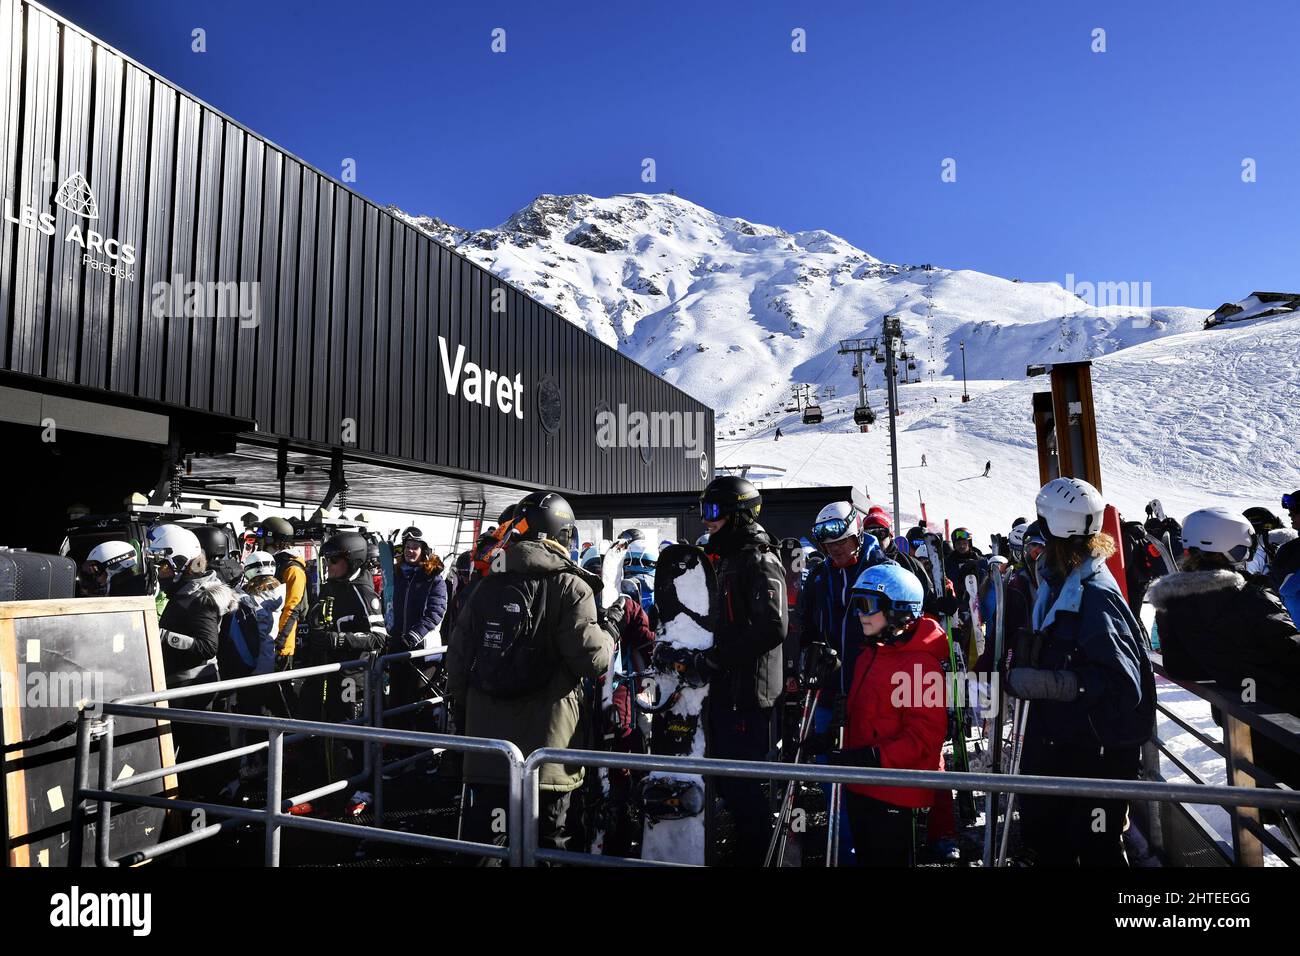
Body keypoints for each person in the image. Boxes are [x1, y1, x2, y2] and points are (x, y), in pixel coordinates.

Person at [446, 491, 618, 857]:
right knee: (549, 845)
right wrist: (611, 632)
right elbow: (592, 660)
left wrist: (463, 720)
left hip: (489, 749)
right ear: (563, 534)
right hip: (549, 748)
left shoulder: (485, 584)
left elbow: (457, 661)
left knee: (489, 845)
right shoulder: (572, 586)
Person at [1008, 478, 1155, 866]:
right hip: (1064, 745)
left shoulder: (1094, 596)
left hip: (1095, 755)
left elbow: (1124, 687)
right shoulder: (1061, 584)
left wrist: (1048, 684)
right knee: (1050, 843)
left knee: (1093, 851)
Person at [803, 564, 949, 866]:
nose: (860, 614)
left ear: (899, 610)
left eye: (867, 605)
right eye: (857, 605)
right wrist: (830, 737)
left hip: (895, 790)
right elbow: (865, 717)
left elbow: (925, 739)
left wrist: (870, 758)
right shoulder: (871, 653)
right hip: (863, 784)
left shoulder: (920, 665)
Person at [1149, 507, 1300, 788]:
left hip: (1237, 720)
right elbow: (1291, 651)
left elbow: (1180, 665)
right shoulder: (1248, 596)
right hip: (1283, 718)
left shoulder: (1171, 602)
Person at [696, 475, 788, 865]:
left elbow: (772, 626)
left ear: (737, 514)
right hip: (726, 689)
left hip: (748, 695)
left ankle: (757, 856)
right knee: (727, 784)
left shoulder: (758, 558)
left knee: (744, 788)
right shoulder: (729, 557)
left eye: (714, 511)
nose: (707, 520)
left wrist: (719, 657)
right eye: (703, 511)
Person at [298, 530, 390, 812]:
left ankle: (361, 790)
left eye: (334, 560)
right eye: (327, 560)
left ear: (352, 560)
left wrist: (340, 640)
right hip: (324, 674)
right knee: (316, 731)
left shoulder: (363, 593)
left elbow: (379, 637)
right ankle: (321, 790)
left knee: (351, 734)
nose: (329, 566)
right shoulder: (328, 588)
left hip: (352, 678)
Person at [147, 523, 238, 799]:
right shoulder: (181, 593)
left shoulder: (200, 597)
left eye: (163, 565)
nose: (159, 571)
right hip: (179, 685)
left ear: (180, 562)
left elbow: (207, 646)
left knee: (198, 753)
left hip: (193, 687)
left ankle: (206, 809)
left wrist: (161, 636)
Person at [389, 526, 449, 726]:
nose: (410, 551)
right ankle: (396, 747)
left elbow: (436, 612)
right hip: (398, 647)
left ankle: (419, 750)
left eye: (415, 547)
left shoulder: (434, 579)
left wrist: (416, 634)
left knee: (417, 701)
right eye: (407, 546)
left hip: (423, 652)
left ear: (424, 550)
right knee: (396, 700)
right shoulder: (398, 577)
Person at [261, 516, 307, 670]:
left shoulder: (293, 569)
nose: (258, 542)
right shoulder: (274, 563)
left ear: (272, 540)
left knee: (281, 689)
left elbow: (292, 607)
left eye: (262, 537)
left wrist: (280, 642)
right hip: (266, 637)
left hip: (281, 643)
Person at [80, 540, 147, 597]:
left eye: (97, 569)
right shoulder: (138, 584)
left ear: (114, 566)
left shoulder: (124, 591)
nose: (96, 578)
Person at [1273, 490, 1300, 625]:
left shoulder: (1290, 551)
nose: (1290, 514)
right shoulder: (1289, 549)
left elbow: (1284, 589)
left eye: (1296, 511)